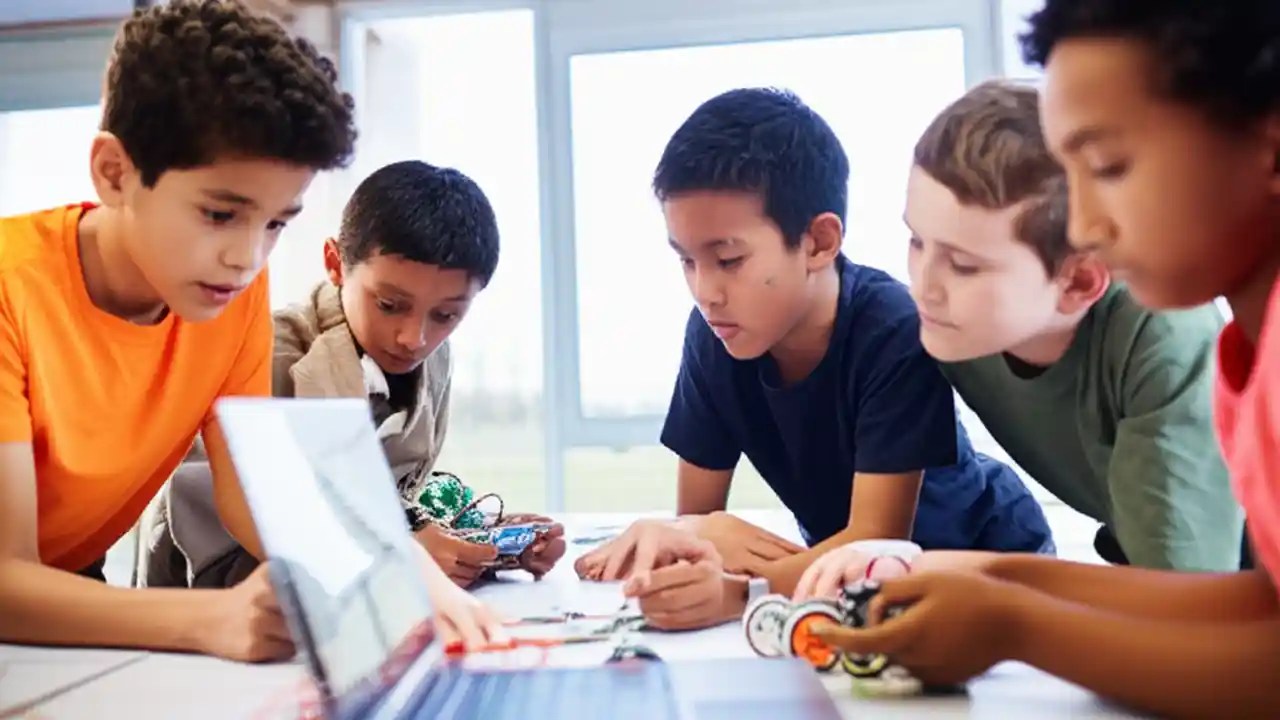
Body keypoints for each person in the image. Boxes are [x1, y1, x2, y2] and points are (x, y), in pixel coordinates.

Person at [809, 3, 1280, 717]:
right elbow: (1258, 605)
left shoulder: (1184, 342)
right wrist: (980, 573)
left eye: (1109, 167)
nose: (1085, 224)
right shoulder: (1252, 344)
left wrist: (1013, 623)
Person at [0, 0, 500, 662]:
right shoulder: (13, 287)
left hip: (63, 594)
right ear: (115, 173)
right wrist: (211, 619)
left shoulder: (228, 295)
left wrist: (405, 571)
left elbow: (259, 501)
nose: (248, 258)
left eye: (275, 223)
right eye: (219, 214)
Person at [576, 87, 1053, 624]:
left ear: (819, 242)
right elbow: (700, 520)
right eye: (686, 260)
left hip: (982, 558)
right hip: (837, 577)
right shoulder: (715, 333)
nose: (705, 290)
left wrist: (728, 576)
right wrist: (678, 540)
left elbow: (876, 543)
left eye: (728, 259)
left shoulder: (892, 327)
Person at [799, 79, 1241, 590]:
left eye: (964, 265)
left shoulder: (1164, 338)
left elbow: (1181, 604)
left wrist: (957, 573)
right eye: (917, 241)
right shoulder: (954, 325)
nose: (925, 286)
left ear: (1077, 281)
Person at [143, 161, 566, 590]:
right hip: (220, 575)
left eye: (446, 314)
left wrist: (487, 541)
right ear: (335, 263)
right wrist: (399, 557)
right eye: (389, 304)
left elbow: (391, 499)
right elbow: (253, 530)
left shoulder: (434, 360)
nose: (413, 338)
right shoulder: (272, 357)